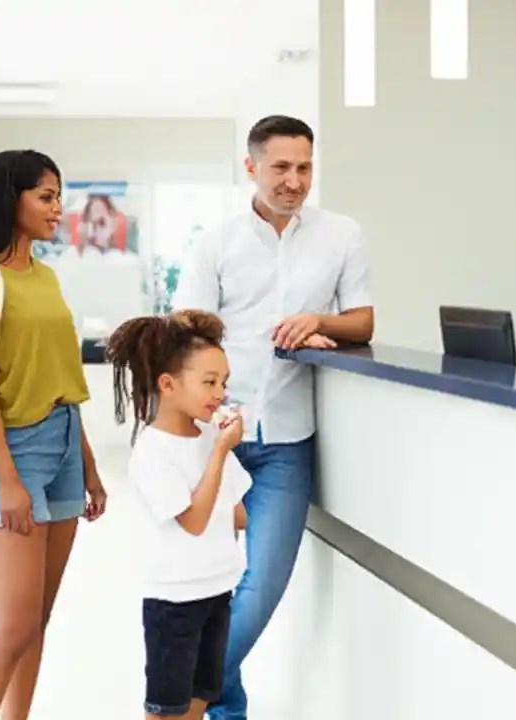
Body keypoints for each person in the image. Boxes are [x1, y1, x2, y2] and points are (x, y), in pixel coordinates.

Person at [172, 115, 374, 719]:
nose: (294, 180)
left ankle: (178, 698)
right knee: (206, 584)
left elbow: (362, 322)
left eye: (304, 167)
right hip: (216, 437)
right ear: (252, 167)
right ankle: (223, 710)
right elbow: (184, 334)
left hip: (288, 438)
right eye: (281, 167)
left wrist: (318, 320)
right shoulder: (215, 243)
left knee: (260, 587)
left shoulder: (342, 234)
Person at [0, 150, 109, 720]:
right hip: (16, 448)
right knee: (12, 626)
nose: (57, 207)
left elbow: (63, 380)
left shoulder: (45, 276)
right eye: (45, 196)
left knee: (37, 620)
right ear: (10, 199)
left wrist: (89, 465)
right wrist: (10, 480)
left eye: (58, 196)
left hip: (65, 440)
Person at [106, 310, 252, 720]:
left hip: (217, 589)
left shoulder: (209, 436)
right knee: (166, 709)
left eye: (223, 383)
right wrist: (222, 452)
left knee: (202, 697)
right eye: (209, 382)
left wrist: (221, 452)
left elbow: (239, 515)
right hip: (175, 601)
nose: (220, 393)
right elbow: (194, 521)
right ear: (168, 385)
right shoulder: (153, 452)